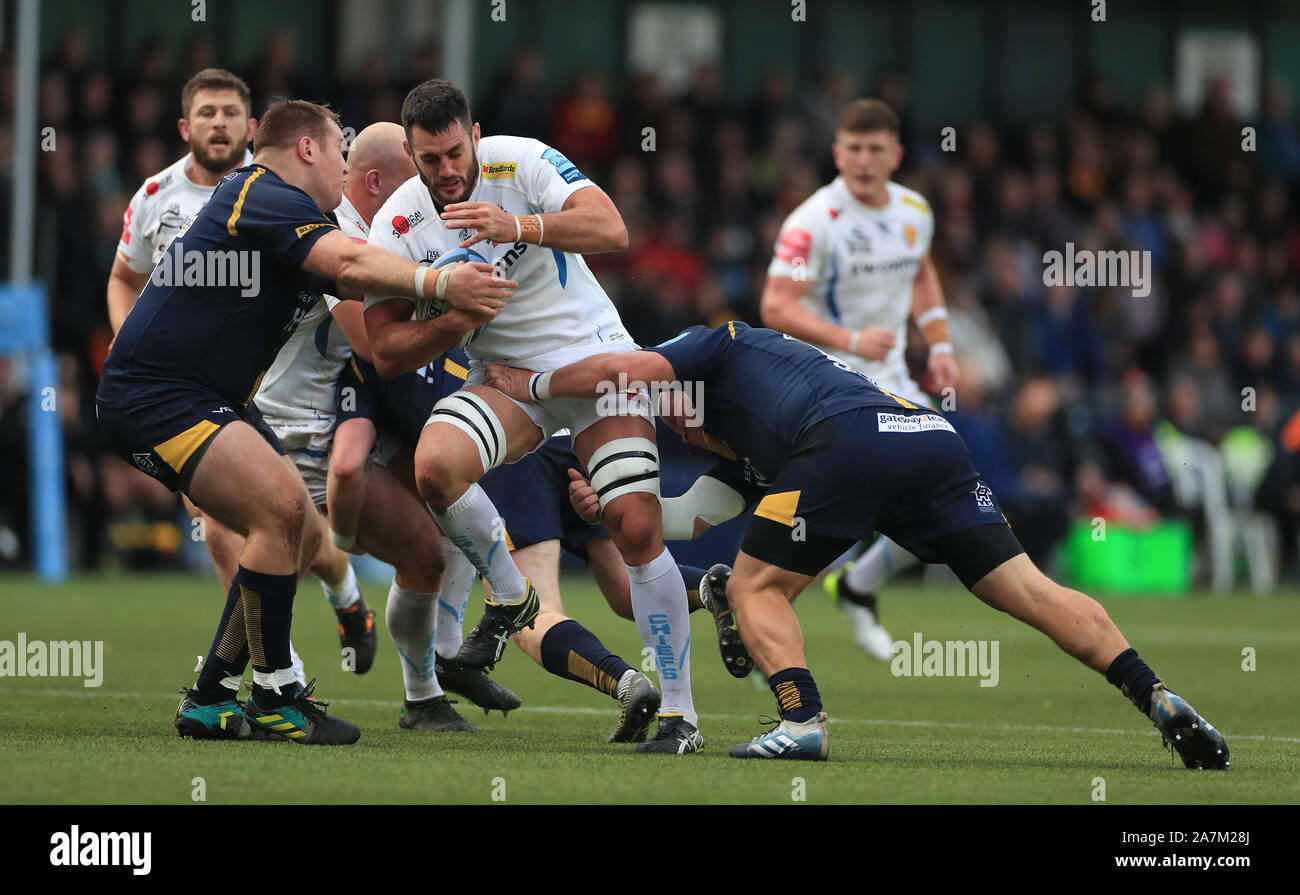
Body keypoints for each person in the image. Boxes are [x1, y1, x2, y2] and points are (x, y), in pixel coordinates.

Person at [483, 322, 1230, 770]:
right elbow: (682, 520)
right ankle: (1155, 692)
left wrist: (535, 381)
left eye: (668, 409)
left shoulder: (718, 342)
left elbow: (629, 366)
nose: (670, 424)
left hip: (848, 440)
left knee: (755, 587)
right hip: (924, 439)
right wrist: (606, 506)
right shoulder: (745, 448)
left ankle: (800, 723)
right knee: (1030, 589)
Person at [96, 98, 511, 745]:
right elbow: (348, 269)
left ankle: (210, 699)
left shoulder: (286, 212)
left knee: (290, 526)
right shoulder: (262, 192)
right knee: (284, 513)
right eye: (337, 155)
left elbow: (363, 288)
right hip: (159, 394)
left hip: (213, 399)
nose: (342, 171)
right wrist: (443, 283)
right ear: (309, 151)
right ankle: (275, 696)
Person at [363, 79, 701, 754]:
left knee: (635, 527)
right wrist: (459, 314)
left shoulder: (519, 162)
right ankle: (512, 596)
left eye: (456, 153)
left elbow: (611, 226)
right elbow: (385, 350)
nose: (447, 171)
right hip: (511, 384)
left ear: (476, 136)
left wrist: (515, 225)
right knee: (436, 466)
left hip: (597, 361)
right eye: (430, 160)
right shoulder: (397, 225)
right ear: (409, 152)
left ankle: (680, 714)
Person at [331, 345, 739, 743]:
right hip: (582, 431)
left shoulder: (410, 345)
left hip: (519, 443)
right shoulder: (554, 316)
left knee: (533, 613)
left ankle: (626, 683)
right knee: (623, 587)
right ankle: (714, 588)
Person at [106, 68, 362, 682]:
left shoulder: (296, 199)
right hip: (179, 391)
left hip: (247, 383)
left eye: (229, 112)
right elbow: (124, 276)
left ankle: (341, 589)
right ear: (184, 125)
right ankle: (271, 674)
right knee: (238, 523)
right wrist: (135, 342)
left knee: (291, 526)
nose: (217, 122)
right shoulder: (156, 196)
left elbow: (344, 284)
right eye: (206, 111)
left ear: (251, 130)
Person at [760, 98, 956, 661]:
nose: (864, 161)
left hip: (892, 380)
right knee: (814, 526)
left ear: (895, 154)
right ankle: (754, 614)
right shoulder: (812, 222)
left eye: (876, 150)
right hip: (825, 382)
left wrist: (940, 344)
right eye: (854, 149)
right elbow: (776, 304)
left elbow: (920, 273)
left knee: (946, 487)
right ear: (837, 152)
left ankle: (858, 585)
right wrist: (850, 341)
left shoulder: (915, 210)